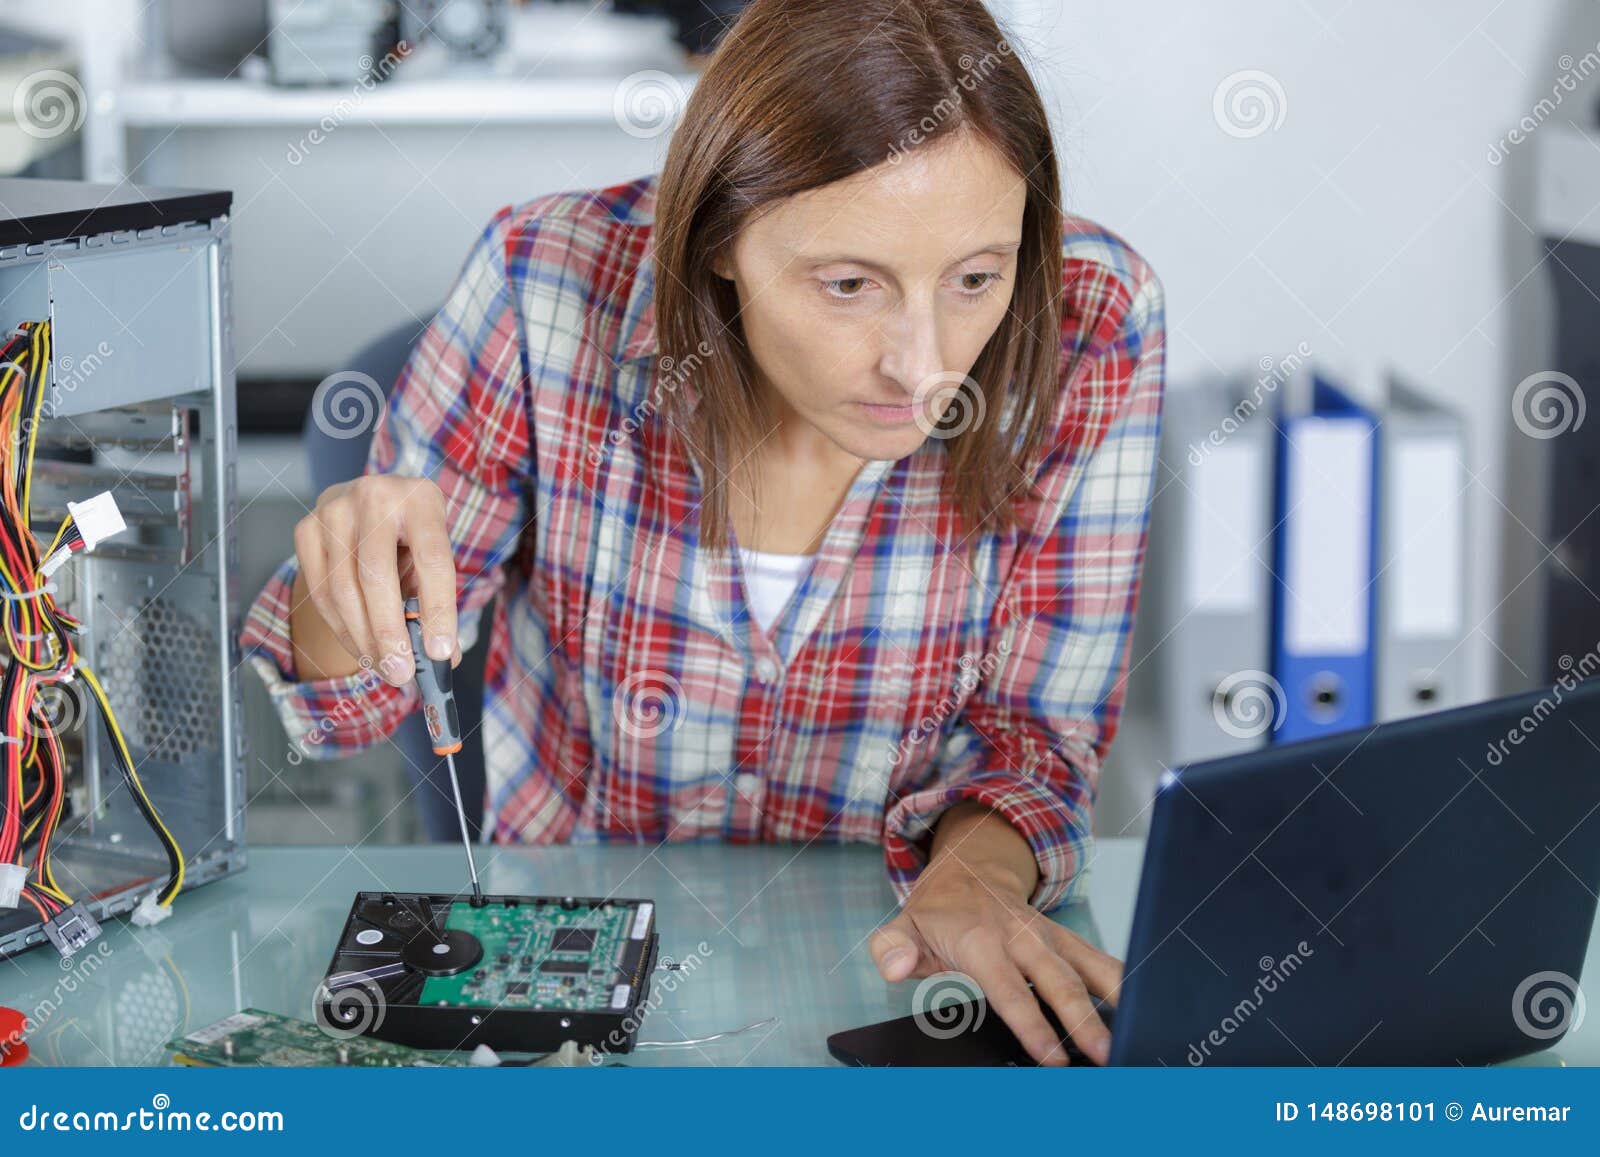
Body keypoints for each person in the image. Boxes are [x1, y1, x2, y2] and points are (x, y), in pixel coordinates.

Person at [242, 0, 1165, 1066]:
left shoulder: (1091, 315)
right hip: (573, 980)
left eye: (974, 278)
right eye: (849, 283)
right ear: (720, 237)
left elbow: (1039, 735)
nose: (924, 366)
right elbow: (349, 705)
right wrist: (342, 573)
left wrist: (975, 873)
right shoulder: (541, 283)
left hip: (892, 976)